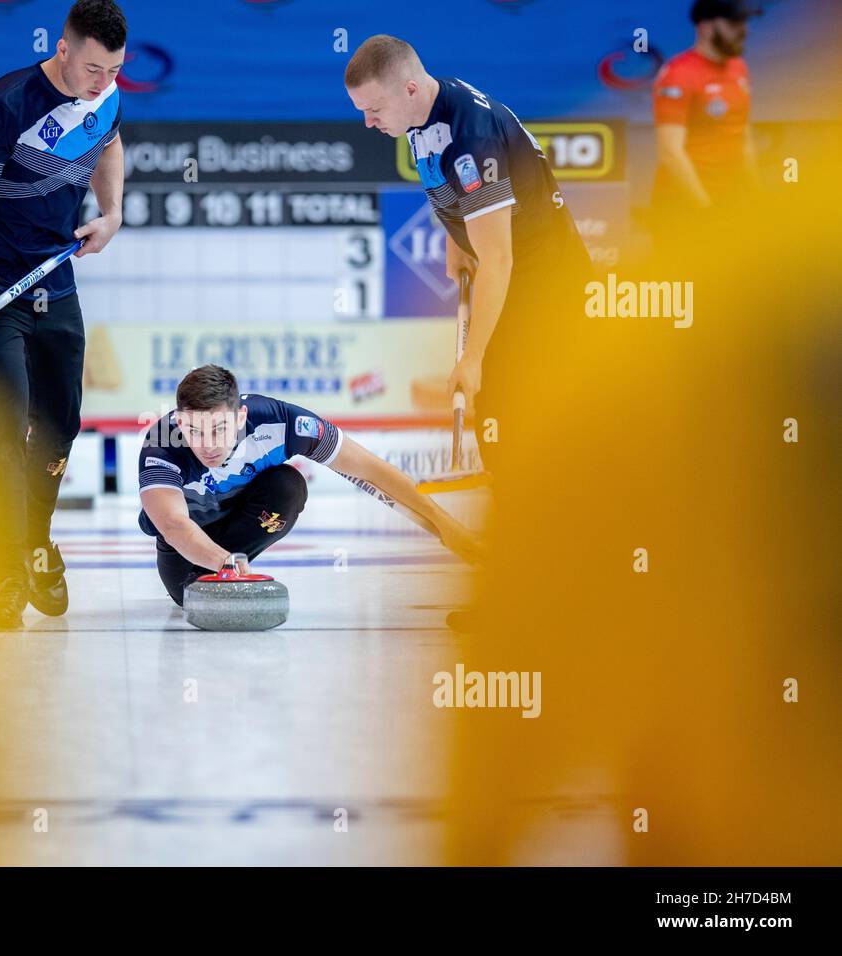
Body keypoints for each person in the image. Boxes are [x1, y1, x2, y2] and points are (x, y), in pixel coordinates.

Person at [0, 0, 126, 629]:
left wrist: (113, 211)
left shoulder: (107, 93)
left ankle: (37, 538)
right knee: (6, 429)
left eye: (116, 70)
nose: (104, 82)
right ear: (63, 50)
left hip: (53, 279)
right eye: (94, 68)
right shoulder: (3, 105)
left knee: (60, 424)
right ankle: (9, 581)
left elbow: (110, 142)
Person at [344, 35, 592, 484]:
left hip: (547, 282)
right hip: (521, 271)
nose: (367, 122)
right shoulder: (427, 110)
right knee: (502, 393)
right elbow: (454, 189)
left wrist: (471, 358)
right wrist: (456, 239)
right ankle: (519, 490)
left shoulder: (471, 136)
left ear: (410, 90)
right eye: (362, 110)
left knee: (505, 391)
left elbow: (497, 259)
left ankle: (535, 498)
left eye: (374, 109)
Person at [138, 365, 483, 607]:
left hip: (239, 529)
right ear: (181, 421)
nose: (207, 445)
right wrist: (222, 563)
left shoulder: (283, 421)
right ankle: (213, 571)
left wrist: (446, 526)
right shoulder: (162, 442)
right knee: (177, 550)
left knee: (289, 486)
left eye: (218, 429)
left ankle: (231, 561)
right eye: (195, 431)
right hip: (183, 552)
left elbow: (372, 470)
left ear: (241, 417)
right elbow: (173, 524)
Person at [651, 0, 759, 259]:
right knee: (691, 295)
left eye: (744, 22)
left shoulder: (738, 68)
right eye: (734, 23)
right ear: (707, 27)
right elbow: (671, 153)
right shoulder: (678, 74)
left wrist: (757, 198)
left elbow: (744, 137)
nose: (743, 30)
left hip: (729, 204)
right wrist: (707, 211)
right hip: (684, 210)